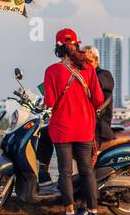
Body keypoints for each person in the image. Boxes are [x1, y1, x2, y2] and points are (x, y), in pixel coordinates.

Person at [42, 28, 104, 215]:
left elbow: (50, 102)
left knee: (65, 172)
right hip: (85, 127)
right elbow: (99, 99)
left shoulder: (52, 71)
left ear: (58, 48)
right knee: (87, 170)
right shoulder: (89, 69)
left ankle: (69, 214)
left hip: (62, 128)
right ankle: (93, 213)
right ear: (77, 45)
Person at [37, 45, 115, 184]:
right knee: (45, 132)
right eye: (80, 54)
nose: (82, 56)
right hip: (80, 122)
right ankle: (43, 172)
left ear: (95, 59)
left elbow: (96, 94)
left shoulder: (103, 74)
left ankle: (84, 197)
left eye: (86, 54)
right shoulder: (81, 70)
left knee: (84, 166)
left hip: (98, 125)